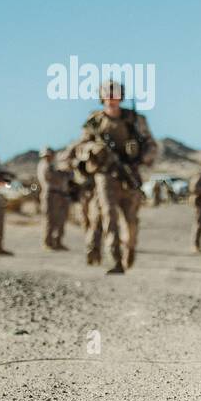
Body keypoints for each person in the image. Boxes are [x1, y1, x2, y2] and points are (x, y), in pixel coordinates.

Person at [71, 79, 157, 275]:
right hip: (105, 176)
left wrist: (141, 156)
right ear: (101, 96)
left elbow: (151, 145)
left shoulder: (134, 119)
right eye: (108, 93)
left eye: (115, 93)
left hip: (129, 175)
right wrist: (94, 150)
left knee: (131, 221)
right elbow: (80, 147)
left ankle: (130, 250)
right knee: (109, 216)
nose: (111, 97)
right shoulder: (95, 121)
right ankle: (115, 259)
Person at [37, 147, 71, 251]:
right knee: (49, 219)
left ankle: (57, 242)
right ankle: (47, 243)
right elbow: (52, 177)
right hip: (49, 194)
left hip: (57, 195)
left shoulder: (52, 165)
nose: (48, 157)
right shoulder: (45, 166)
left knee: (58, 219)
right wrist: (62, 174)